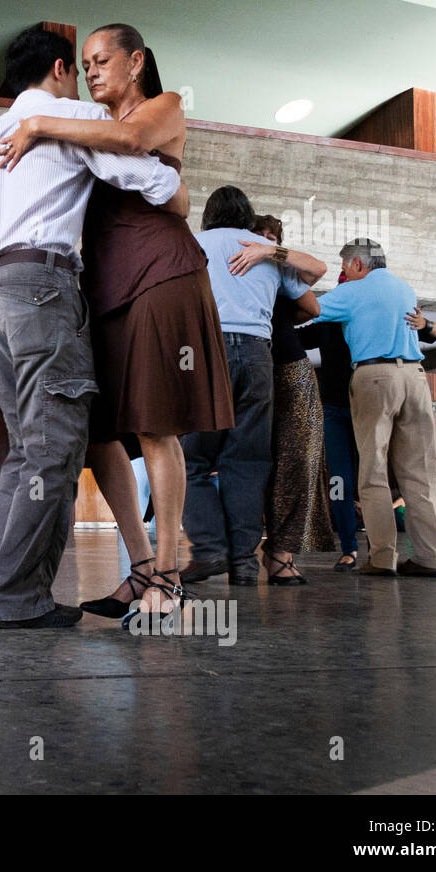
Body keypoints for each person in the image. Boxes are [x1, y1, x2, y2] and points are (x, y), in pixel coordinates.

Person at [0, 25, 186, 628]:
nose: (89, 76)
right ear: (60, 70)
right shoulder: (68, 117)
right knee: (52, 451)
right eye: (83, 65)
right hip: (41, 289)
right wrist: (170, 180)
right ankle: (18, 601)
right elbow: (148, 181)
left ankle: (1, 591)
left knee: (26, 452)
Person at [0, 22, 231, 619]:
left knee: (156, 427)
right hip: (99, 288)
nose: (92, 70)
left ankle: (170, 576)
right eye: (84, 62)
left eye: (103, 60)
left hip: (159, 273)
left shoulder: (163, 106)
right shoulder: (85, 128)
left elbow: (130, 143)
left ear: (137, 62)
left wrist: (38, 119)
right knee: (97, 434)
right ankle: (142, 565)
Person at [180, 187, 323, 586]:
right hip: (259, 357)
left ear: (208, 215)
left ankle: (210, 550)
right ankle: (242, 563)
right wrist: (269, 252)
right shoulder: (263, 247)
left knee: (191, 460)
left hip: (208, 353)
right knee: (247, 462)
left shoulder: (190, 243)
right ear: (247, 215)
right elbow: (314, 298)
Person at [312, 237, 436, 577]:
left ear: (357, 264)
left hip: (375, 377)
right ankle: (431, 558)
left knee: (373, 473)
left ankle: (382, 557)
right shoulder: (404, 289)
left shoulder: (350, 291)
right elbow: (429, 329)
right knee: (419, 476)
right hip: (416, 378)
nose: (345, 273)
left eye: (345, 267)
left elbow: (309, 310)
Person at [250, 215, 335, 583]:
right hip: (248, 366)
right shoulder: (231, 267)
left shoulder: (279, 269)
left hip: (290, 366)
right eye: (262, 235)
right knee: (245, 459)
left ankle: (281, 552)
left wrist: (271, 250)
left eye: (273, 237)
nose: (267, 241)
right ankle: (227, 551)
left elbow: (314, 297)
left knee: (300, 458)